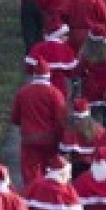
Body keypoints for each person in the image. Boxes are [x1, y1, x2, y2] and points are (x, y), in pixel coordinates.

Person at [11, 56, 67, 189]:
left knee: (30, 174)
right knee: (52, 172)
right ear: (49, 75)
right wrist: (62, 140)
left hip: (29, 139)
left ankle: (32, 198)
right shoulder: (55, 94)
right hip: (50, 140)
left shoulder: (23, 93)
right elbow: (61, 120)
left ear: (34, 75)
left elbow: (15, 118)